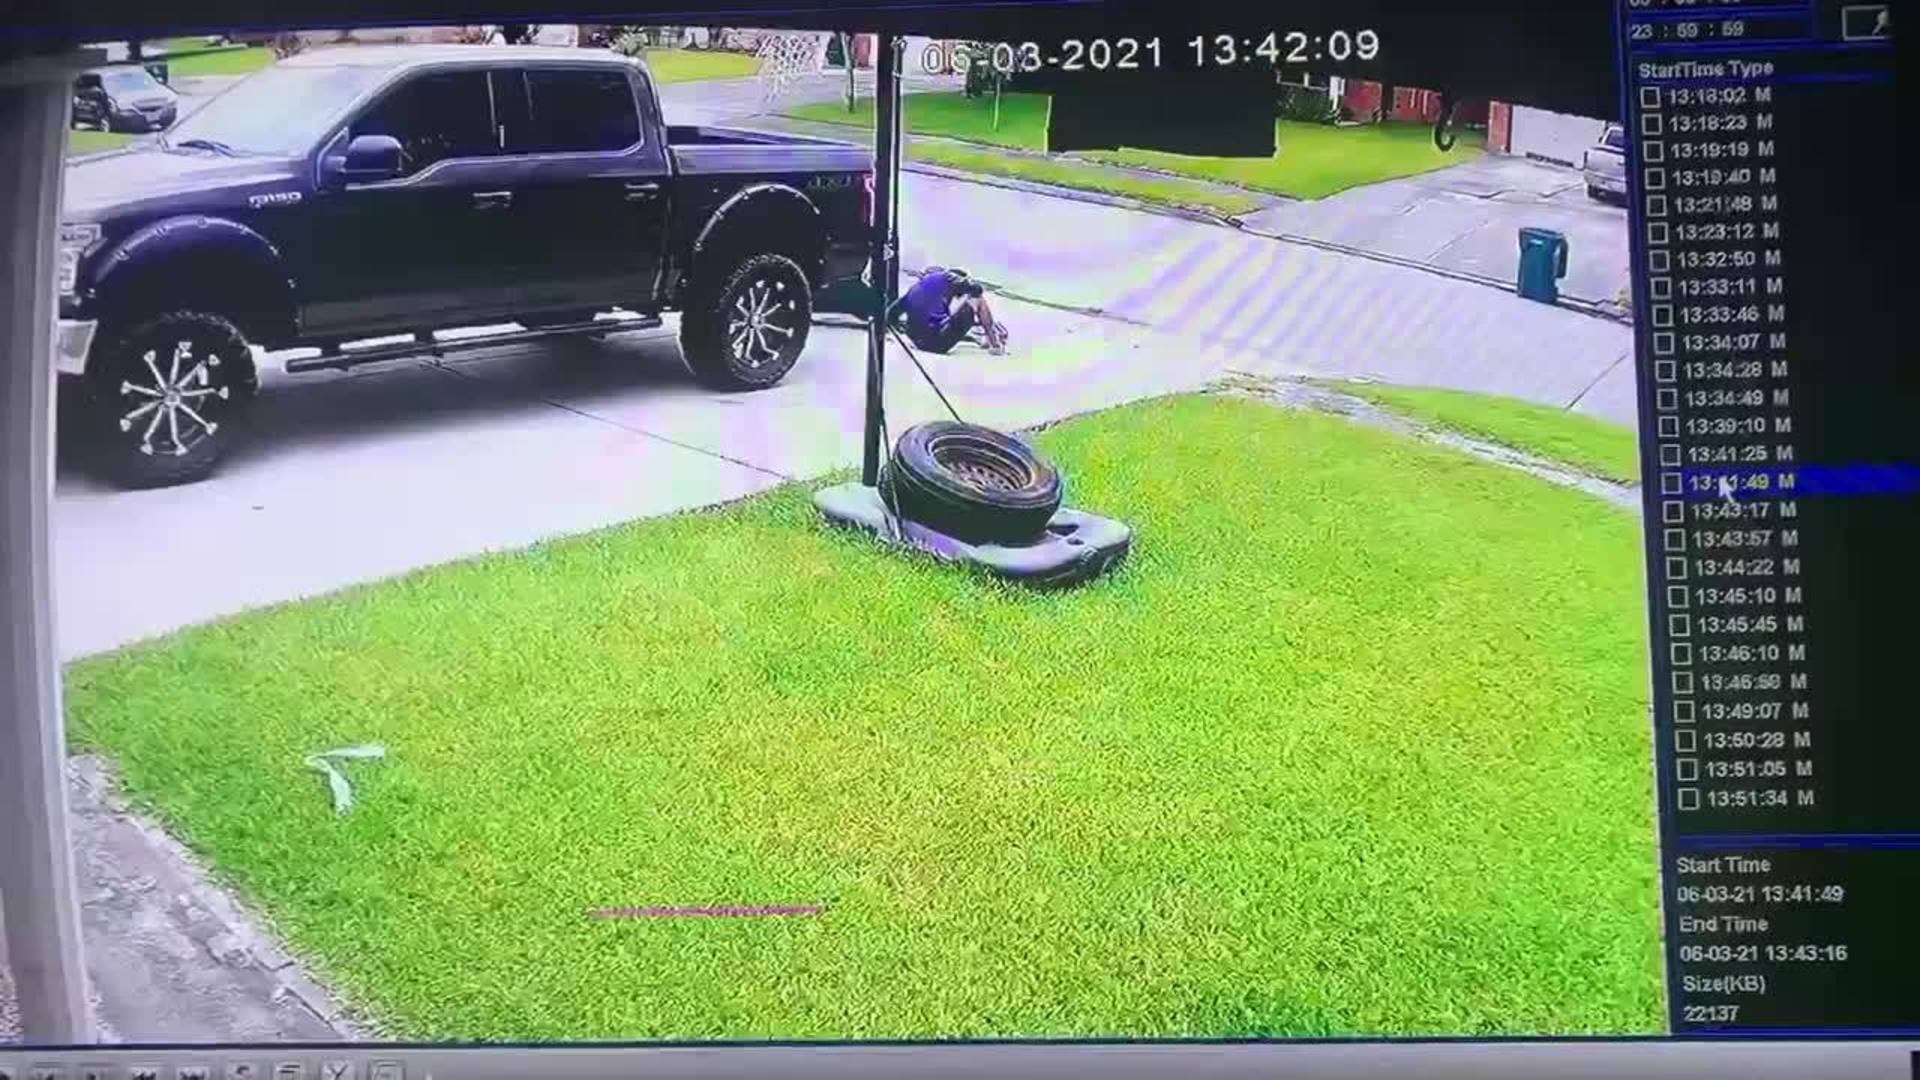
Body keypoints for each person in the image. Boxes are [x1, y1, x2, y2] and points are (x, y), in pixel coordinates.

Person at [898, 267, 1008, 355]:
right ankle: (995, 344)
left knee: (947, 319)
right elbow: (977, 289)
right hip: (937, 343)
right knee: (977, 298)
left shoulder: (916, 288)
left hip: (917, 343)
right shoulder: (952, 280)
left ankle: (982, 337)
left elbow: (891, 314)